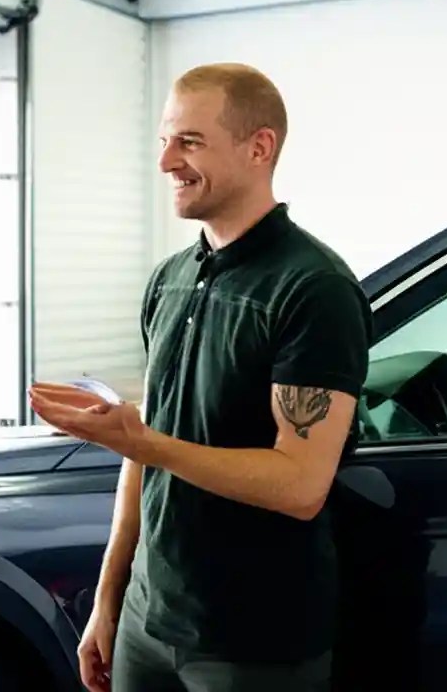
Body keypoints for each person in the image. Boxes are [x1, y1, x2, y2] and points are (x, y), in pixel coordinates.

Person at [29, 63, 373, 691]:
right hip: (147, 620)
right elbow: (145, 446)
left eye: (189, 142)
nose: (166, 163)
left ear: (259, 147)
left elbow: (300, 485)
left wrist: (143, 442)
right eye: (165, 140)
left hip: (254, 640)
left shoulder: (313, 289)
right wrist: (109, 597)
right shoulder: (170, 279)